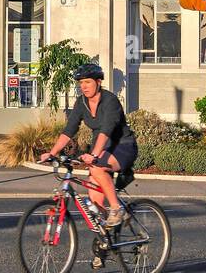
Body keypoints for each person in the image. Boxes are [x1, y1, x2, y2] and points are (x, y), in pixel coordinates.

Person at [39, 63, 137, 228]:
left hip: (123, 147)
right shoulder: (81, 103)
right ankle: (106, 245)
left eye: (88, 82)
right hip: (101, 150)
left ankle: (117, 208)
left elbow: (106, 130)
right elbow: (69, 130)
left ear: (98, 82)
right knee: (95, 209)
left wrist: (94, 155)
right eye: (81, 83)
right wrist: (52, 153)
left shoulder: (110, 100)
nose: (84, 86)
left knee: (97, 168)